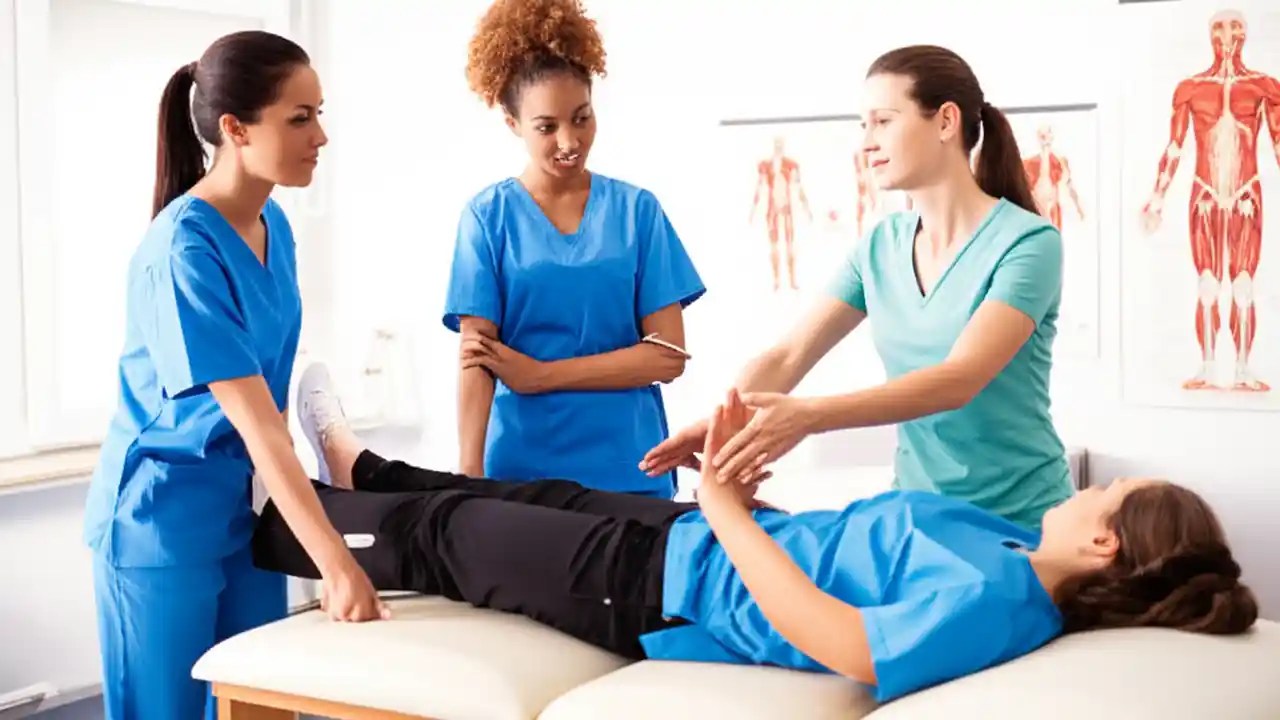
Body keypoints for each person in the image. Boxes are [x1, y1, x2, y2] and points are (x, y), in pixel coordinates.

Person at [255, 363, 1257, 705]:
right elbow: (850, 553)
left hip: (659, 591)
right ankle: (355, 468)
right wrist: (742, 495)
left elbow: (842, 643)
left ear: (1105, 546)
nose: (1097, 494)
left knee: (453, 534)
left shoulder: (1004, 605)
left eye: (1114, 498)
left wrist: (731, 516)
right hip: (696, 539)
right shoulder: (1005, 548)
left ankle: (269, 521)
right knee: (529, 489)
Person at [643, 44, 1074, 531]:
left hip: (1026, 522)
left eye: (883, 121)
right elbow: (789, 356)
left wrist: (809, 416)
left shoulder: (1029, 243)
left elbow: (961, 379)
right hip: (919, 517)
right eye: (863, 126)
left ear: (946, 122)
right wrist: (725, 421)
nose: (867, 142)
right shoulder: (881, 247)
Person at [82, 31, 385, 720]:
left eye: (320, 113)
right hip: (157, 526)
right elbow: (260, 427)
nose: (321, 136)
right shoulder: (183, 249)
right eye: (300, 118)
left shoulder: (273, 224)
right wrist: (336, 564)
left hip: (239, 516)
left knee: (260, 704)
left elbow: (275, 406)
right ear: (235, 128)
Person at [445, 0, 705, 498]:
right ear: (511, 121)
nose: (569, 140)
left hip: (631, 467)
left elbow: (667, 356)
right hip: (522, 474)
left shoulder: (637, 211)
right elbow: (476, 358)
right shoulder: (487, 217)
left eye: (582, 118)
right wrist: (467, 480)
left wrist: (541, 375)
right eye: (546, 127)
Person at [1139, 8, 1278, 392]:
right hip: (1205, 192)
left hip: (1247, 190)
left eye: (1236, 25)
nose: (1228, 32)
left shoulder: (1265, 86)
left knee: (1245, 284)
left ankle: (1244, 367)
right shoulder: (1191, 88)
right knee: (1207, 284)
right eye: (1219, 25)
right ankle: (1208, 364)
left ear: (1246, 33)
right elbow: (1174, 146)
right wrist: (1157, 197)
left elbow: (1279, 142)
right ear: (1209, 33)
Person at [749, 135, 813, 291]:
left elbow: (798, 187)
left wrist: (806, 207)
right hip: (772, 209)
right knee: (774, 246)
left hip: (787, 208)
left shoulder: (791, 165)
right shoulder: (765, 165)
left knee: (790, 245)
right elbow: (760, 187)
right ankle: (777, 281)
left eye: (780, 144)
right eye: (776, 144)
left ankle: (792, 280)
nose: (778, 147)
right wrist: (753, 210)